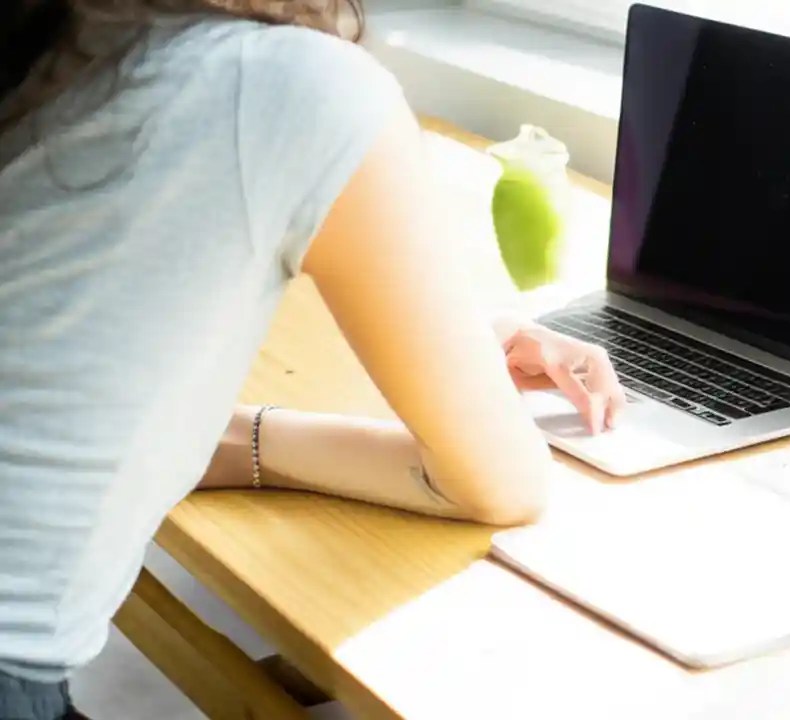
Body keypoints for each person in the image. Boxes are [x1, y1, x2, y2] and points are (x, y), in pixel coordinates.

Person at [0, 0, 626, 716]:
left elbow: (57, 428)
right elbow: (505, 487)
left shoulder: (55, 41)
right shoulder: (294, 86)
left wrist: (435, 362)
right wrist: (464, 383)